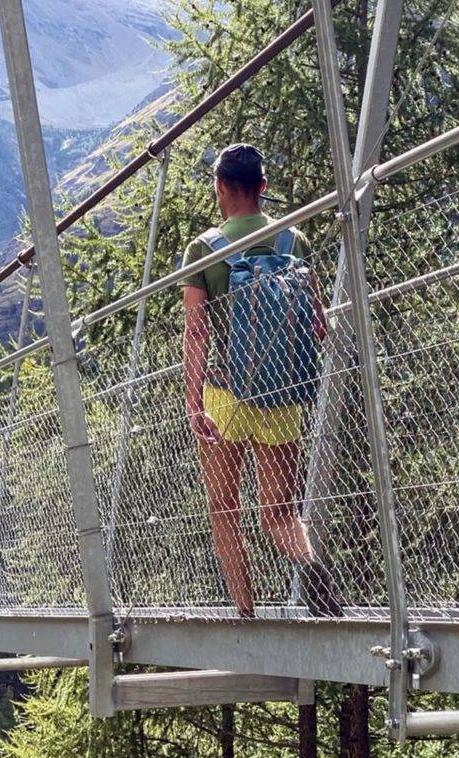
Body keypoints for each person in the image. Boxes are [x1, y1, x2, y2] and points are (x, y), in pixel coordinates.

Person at [180, 143, 341, 618]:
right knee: (280, 510)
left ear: (221, 187)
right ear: (262, 188)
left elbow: (196, 332)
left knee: (225, 508)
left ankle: (246, 613)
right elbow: (317, 326)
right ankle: (310, 567)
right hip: (281, 394)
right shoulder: (294, 241)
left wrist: (193, 402)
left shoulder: (202, 249)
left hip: (224, 396)